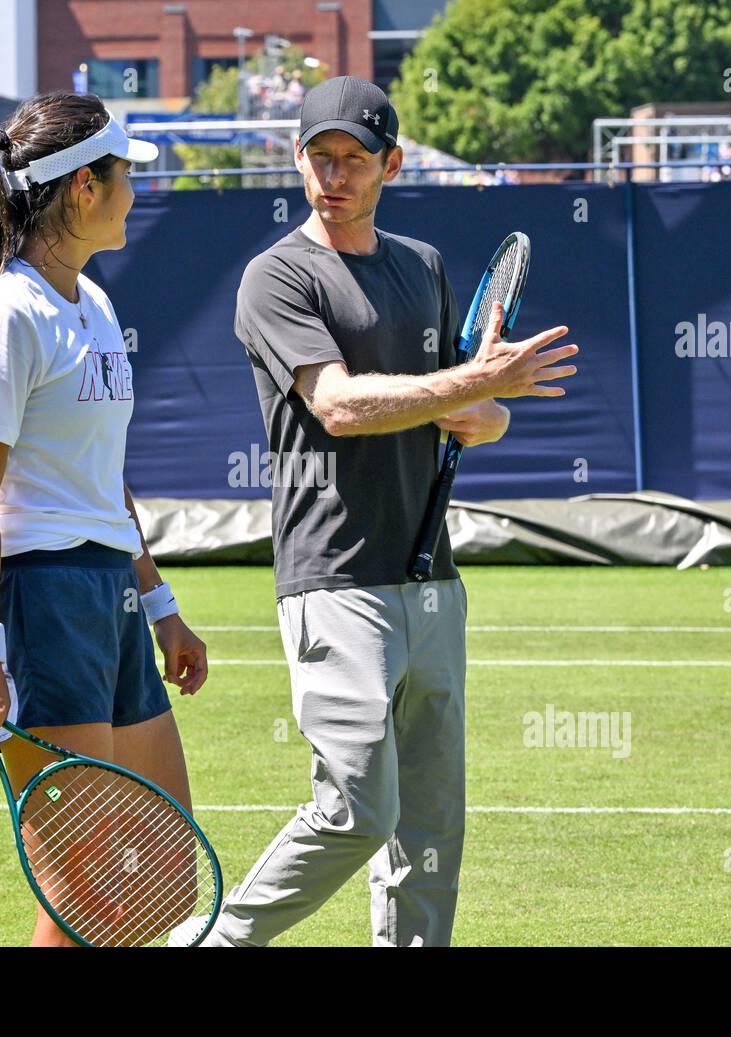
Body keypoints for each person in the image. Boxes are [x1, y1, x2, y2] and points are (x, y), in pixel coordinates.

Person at [177, 76, 577, 947]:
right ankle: (213, 942)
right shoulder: (276, 276)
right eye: (319, 156)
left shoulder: (422, 266)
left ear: (391, 164)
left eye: (354, 159)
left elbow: (466, 415)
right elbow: (343, 406)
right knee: (357, 810)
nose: (334, 174)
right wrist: (475, 383)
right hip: (335, 579)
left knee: (431, 829)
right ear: (297, 160)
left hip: (432, 579)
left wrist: (489, 408)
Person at [0, 91, 210, 946]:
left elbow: (104, 480)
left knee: (164, 883)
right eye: (126, 177)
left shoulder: (94, 303)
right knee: (85, 898)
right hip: (43, 604)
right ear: (85, 187)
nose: (137, 193)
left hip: (112, 601)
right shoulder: (1, 314)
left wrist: (159, 606)